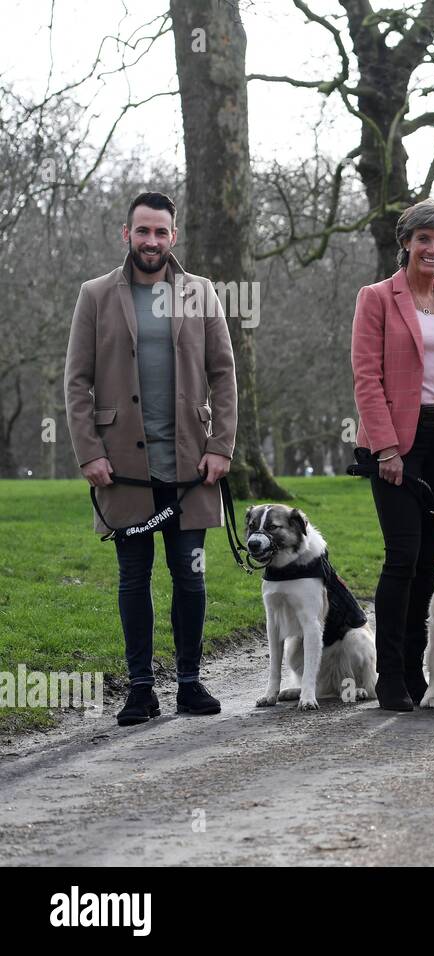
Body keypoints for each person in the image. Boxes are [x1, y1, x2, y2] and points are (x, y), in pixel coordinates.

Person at [64, 191, 237, 726]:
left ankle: (189, 683)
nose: (152, 242)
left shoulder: (199, 292)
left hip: (190, 467)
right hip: (123, 471)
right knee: (133, 579)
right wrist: (89, 453)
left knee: (190, 577)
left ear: (173, 237)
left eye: (161, 232)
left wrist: (220, 447)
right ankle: (140, 689)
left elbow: (224, 374)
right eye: (143, 231)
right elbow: (77, 381)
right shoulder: (96, 295)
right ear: (127, 234)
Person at [351, 198, 434, 712]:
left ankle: (417, 669)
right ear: (405, 242)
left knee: (432, 564)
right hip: (395, 447)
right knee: (402, 558)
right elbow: (367, 377)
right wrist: (385, 447)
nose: (432, 249)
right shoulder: (376, 299)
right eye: (424, 239)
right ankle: (391, 676)